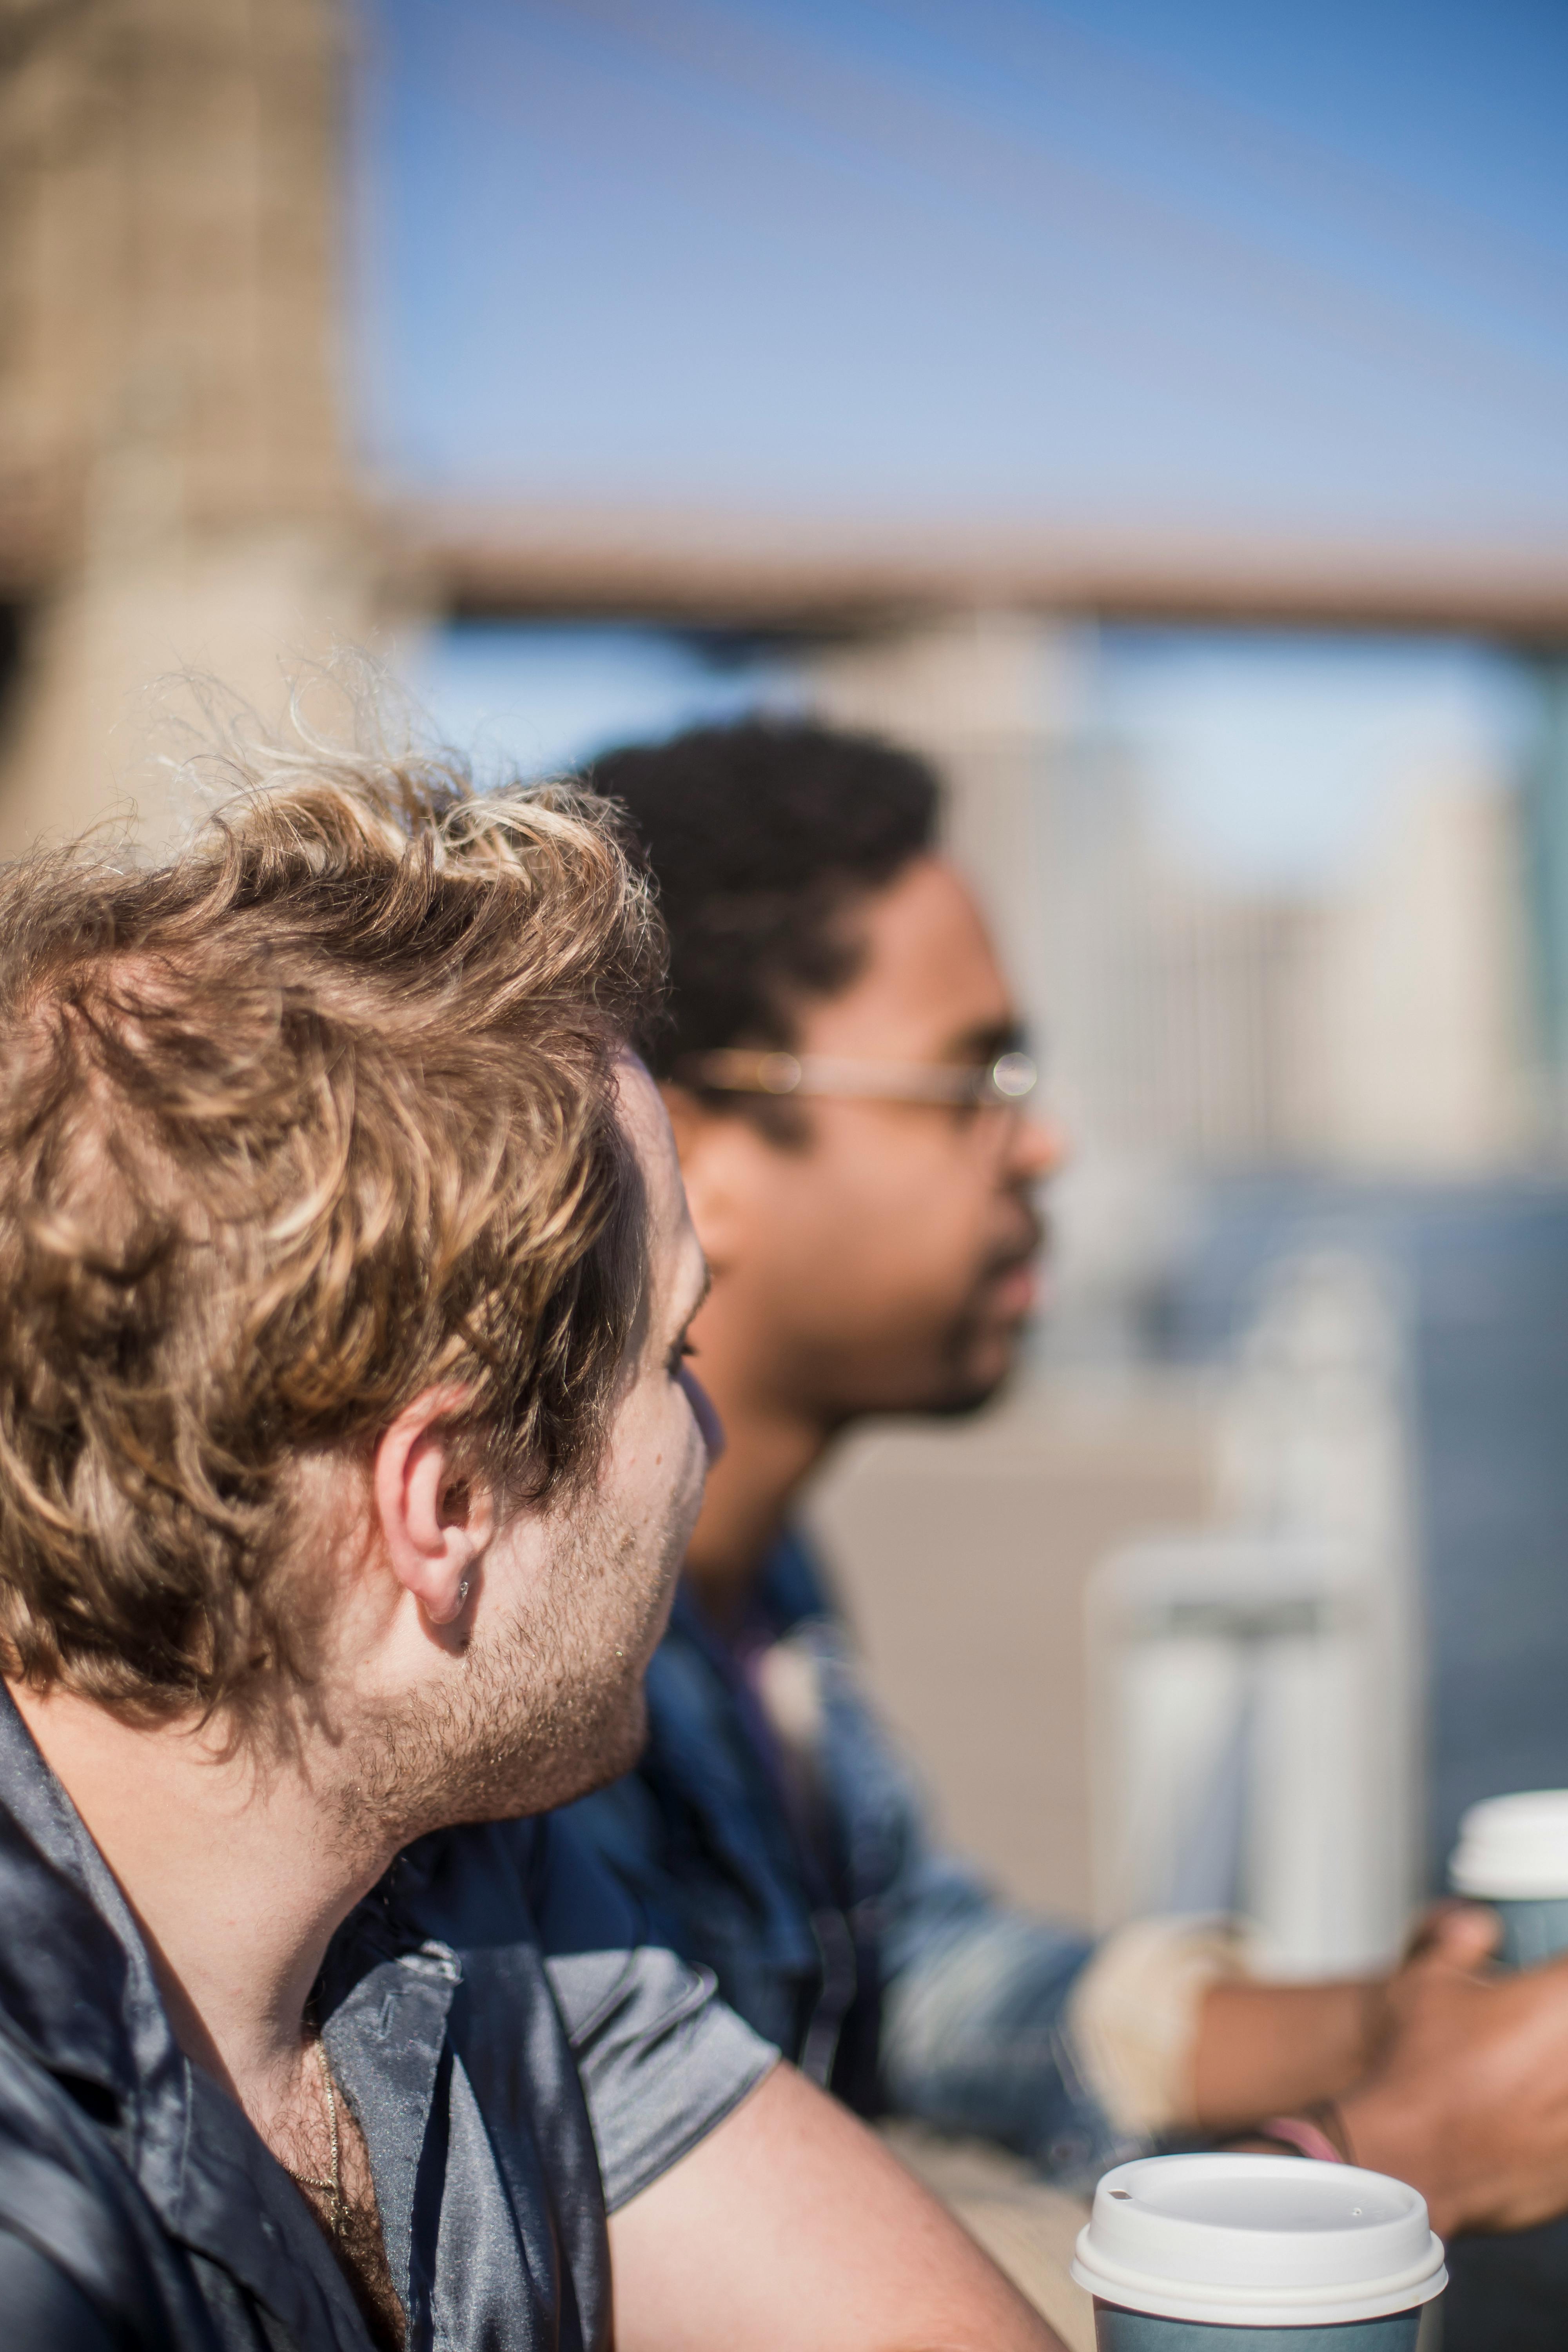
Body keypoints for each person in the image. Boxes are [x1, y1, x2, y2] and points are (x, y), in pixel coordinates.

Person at [0, 744, 1065, 2352]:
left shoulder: (475, 1898)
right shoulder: (36, 2231)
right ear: (443, 1509)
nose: (706, 1446)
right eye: (674, 1362)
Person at [564, 715, 1568, 2244]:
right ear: (691, 1149)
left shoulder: (752, 1581)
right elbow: (623, 2275)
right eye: (973, 1082)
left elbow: (913, 1977)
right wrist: (1380, 2170)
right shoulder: (531, 1700)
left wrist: (1392, 2018)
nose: (1043, 1146)